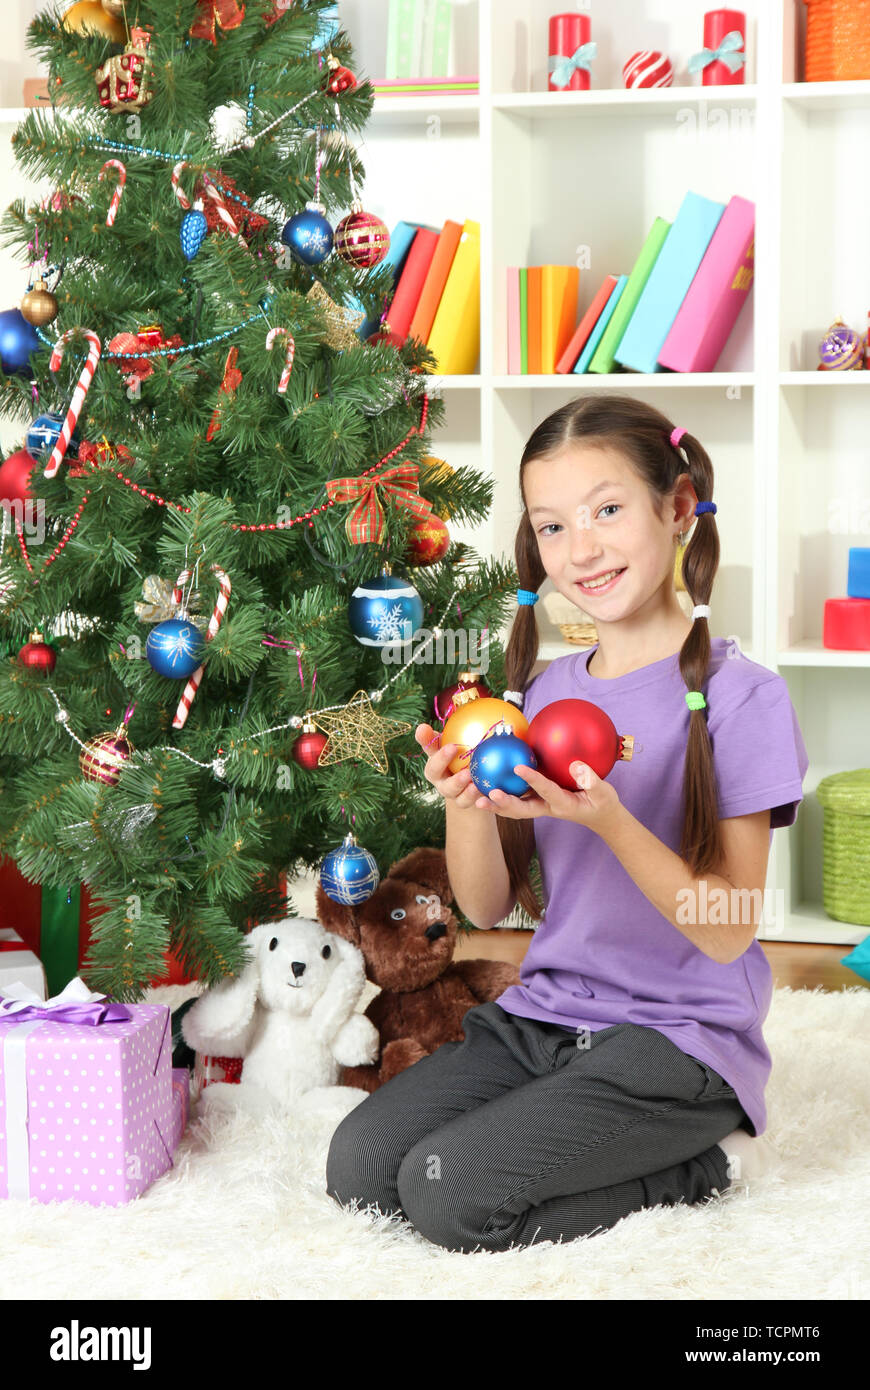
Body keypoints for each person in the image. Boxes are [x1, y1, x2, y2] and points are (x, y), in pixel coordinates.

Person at [325, 393, 809, 1254]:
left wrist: (614, 823)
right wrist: (462, 802)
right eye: (551, 527)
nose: (580, 550)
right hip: (548, 1016)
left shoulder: (743, 698)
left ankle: (708, 1164)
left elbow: (731, 931)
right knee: (363, 1166)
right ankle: (557, 1119)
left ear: (679, 506)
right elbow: (486, 905)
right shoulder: (543, 692)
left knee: (453, 1196)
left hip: (675, 1038)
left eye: (608, 510)